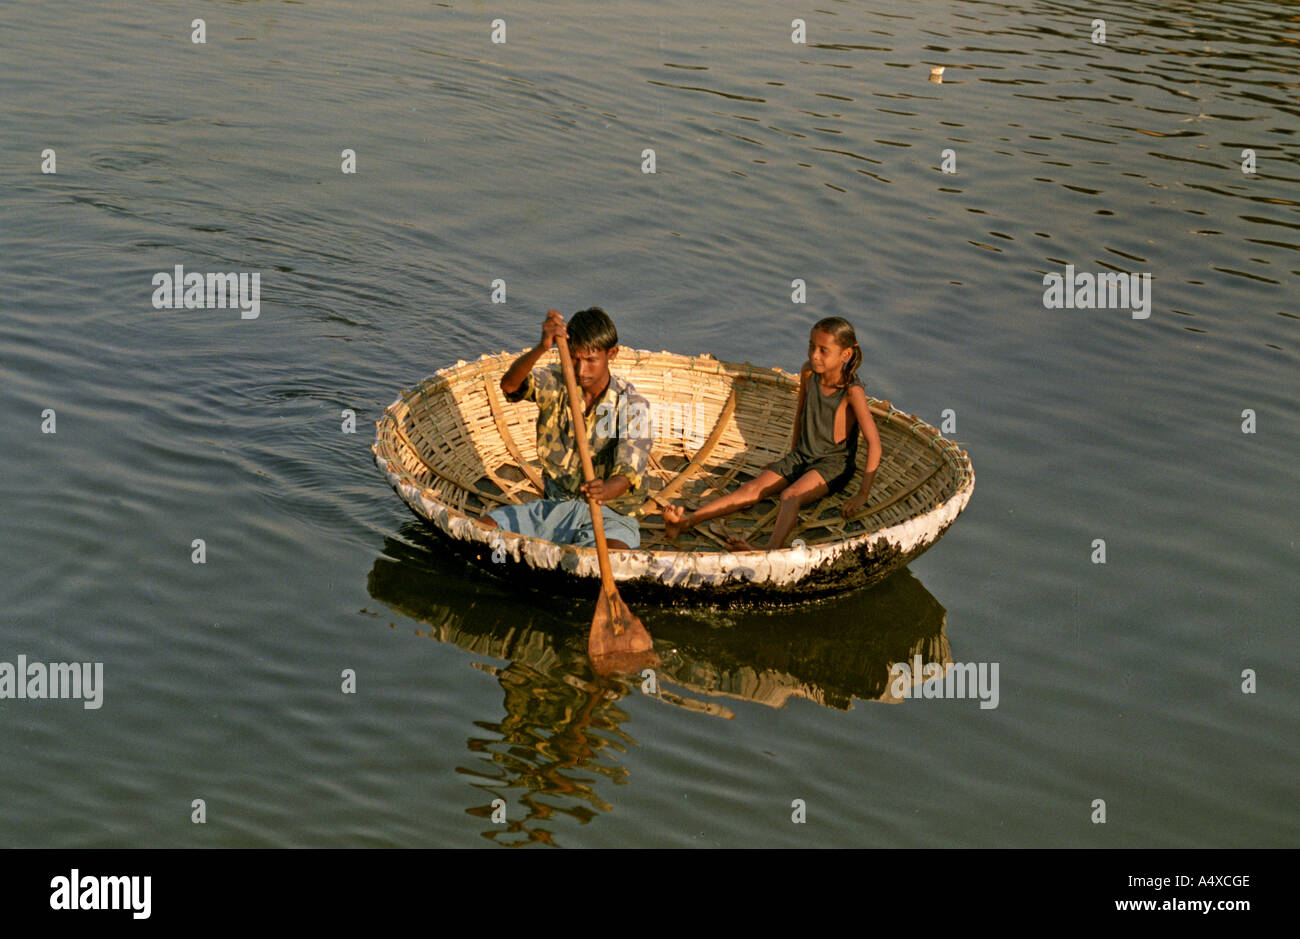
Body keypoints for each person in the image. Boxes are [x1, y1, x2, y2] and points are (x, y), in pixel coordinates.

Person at [662, 317, 882, 550]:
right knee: (752, 489)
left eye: (823, 350)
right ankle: (686, 521)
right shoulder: (809, 373)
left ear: (845, 355)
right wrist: (790, 458)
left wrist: (862, 494)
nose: (814, 355)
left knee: (791, 495)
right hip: (802, 456)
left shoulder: (851, 391)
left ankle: (768, 550)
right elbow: (800, 415)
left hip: (832, 466)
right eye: (811, 347)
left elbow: (874, 444)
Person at [476, 308, 652, 550]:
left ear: (611, 354)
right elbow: (509, 385)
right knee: (479, 531)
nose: (581, 371)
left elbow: (627, 474)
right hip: (557, 507)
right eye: (573, 358)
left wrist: (604, 490)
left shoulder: (632, 406)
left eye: (591, 360)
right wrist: (541, 348)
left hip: (611, 513)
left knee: (613, 557)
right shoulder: (558, 380)